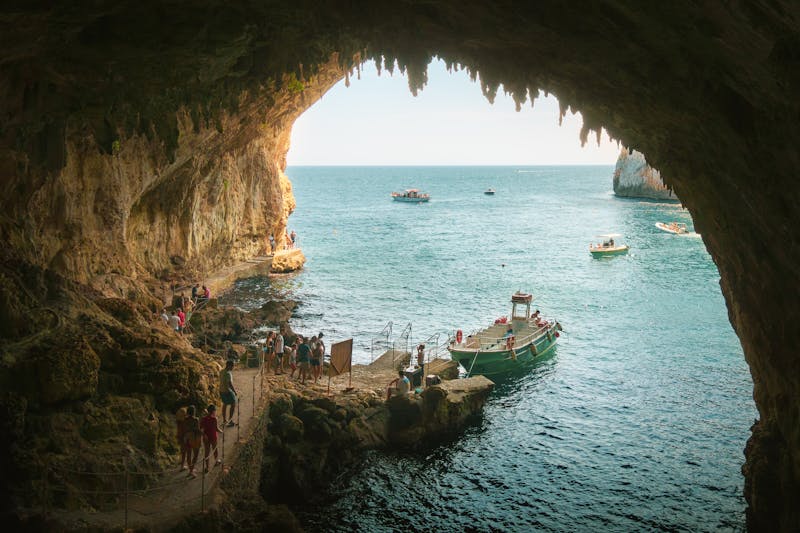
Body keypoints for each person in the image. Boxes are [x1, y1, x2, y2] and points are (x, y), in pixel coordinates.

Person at [200, 405, 222, 472]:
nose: (215, 412)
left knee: (207, 452)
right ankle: (216, 461)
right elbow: (216, 429)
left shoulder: (203, 419)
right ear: (213, 411)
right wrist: (222, 431)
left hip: (206, 438)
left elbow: (201, 429)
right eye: (215, 410)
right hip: (213, 436)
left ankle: (207, 467)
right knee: (215, 449)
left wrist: (204, 435)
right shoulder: (214, 419)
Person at [183, 405, 202, 478]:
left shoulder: (185, 419)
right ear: (194, 412)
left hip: (187, 437)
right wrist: (202, 432)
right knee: (195, 455)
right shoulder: (195, 419)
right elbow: (197, 429)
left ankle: (190, 470)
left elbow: (185, 428)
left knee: (189, 454)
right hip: (194, 437)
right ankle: (191, 470)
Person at [219, 360, 237, 427]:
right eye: (232, 366)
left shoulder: (221, 371)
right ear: (229, 366)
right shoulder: (228, 373)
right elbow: (230, 384)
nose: (233, 367)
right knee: (233, 403)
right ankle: (230, 420)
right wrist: (235, 392)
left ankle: (224, 420)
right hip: (227, 391)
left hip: (221, 390)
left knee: (225, 404)